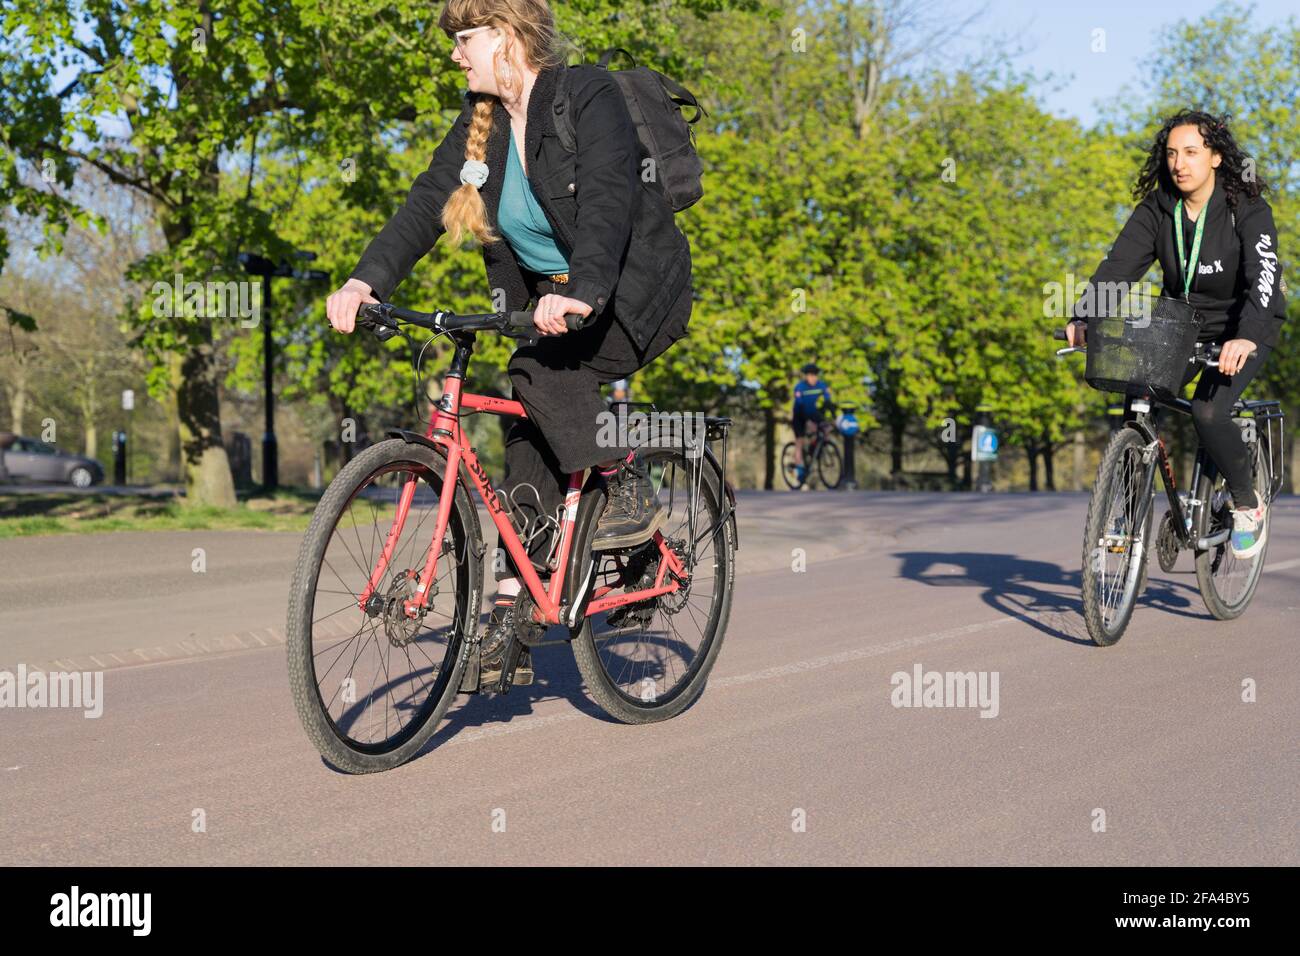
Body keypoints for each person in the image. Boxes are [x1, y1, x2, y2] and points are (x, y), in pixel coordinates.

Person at [324, 0, 694, 677]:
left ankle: (625, 480)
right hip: (551, 304)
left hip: (634, 290)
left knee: (540, 381)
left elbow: (610, 201)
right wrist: (364, 283)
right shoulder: (480, 125)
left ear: (509, 34)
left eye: (465, 38)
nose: (455, 53)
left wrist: (581, 290)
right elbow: (423, 206)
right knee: (526, 430)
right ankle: (511, 610)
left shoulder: (587, 96)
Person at [1064, 110, 1285, 559]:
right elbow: (1118, 267)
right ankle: (1126, 518)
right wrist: (1084, 316)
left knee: (1207, 412)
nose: (1179, 163)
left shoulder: (1248, 209)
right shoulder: (1158, 209)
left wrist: (1246, 337)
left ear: (1216, 157)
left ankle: (1246, 502)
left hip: (1245, 323)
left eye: (1191, 152)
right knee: (1140, 396)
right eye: (1171, 154)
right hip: (1181, 323)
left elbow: (1264, 276)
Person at [791, 363, 832, 486]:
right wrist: (808, 421)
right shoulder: (800, 387)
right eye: (810, 376)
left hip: (812, 412)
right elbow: (799, 403)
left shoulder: (822, 385)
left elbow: (827, 399)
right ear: (806, 376)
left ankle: (816, 448)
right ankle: (799, 470)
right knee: (800, 442)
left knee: (827, 427)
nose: (813, 378)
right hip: (799, 415)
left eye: (814, 375)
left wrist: (831, 412)